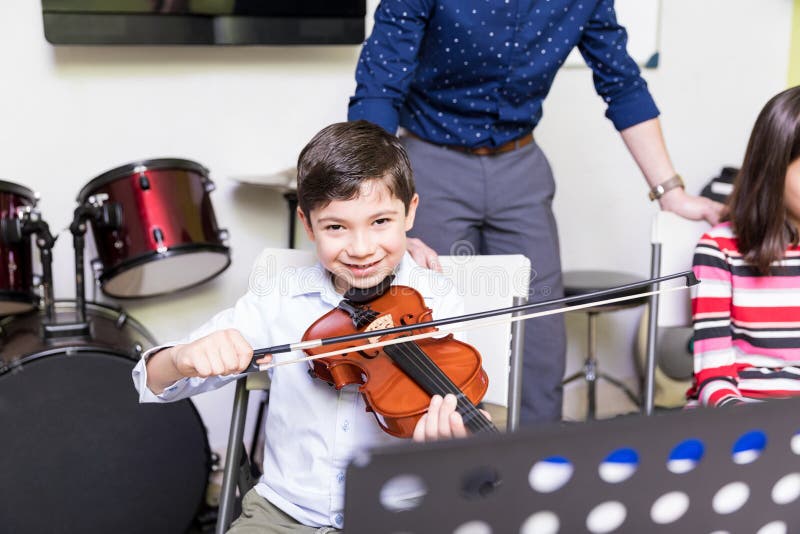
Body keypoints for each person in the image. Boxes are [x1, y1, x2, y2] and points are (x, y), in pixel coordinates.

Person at [348, 0, 724, 424]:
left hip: (520, 165)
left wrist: (670, 191)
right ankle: (448, 457)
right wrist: (377, 214)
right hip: (430, 158)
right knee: (432, 327)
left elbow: (622, 83)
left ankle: (537, 459)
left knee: (541, 338)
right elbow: (379, 88)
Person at [132, 120, 486, 533]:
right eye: (336, 227)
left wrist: (450, 444)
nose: (361, 249)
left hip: (396, 517)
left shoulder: (435, 298)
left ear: (410, 213)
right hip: (284, 515)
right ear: (307, 223)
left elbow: (455, 408)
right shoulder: (279, 298)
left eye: (380, 222)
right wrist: (180, 358)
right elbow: (150, 380)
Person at [689, 86, 800, 408]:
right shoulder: (718, 250)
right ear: (773, 168)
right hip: (740, 414)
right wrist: (740, 423)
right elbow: (713, 377)